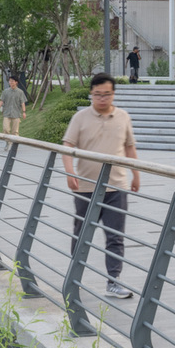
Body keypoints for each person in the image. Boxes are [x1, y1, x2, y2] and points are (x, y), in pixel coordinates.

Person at [60, 73, 140, 299]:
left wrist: (136, 174)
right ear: (91, 95)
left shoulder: (123, 117)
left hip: (116, 187)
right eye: (97, 95)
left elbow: (130, 147)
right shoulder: (81, 118)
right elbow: (67, 146)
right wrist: (69, 172)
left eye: (107, 94)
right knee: (82, 233)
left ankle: (113, 281)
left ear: (113, 94)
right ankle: (74, 278)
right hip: (86, 186)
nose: (102, 99)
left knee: (115, 236)